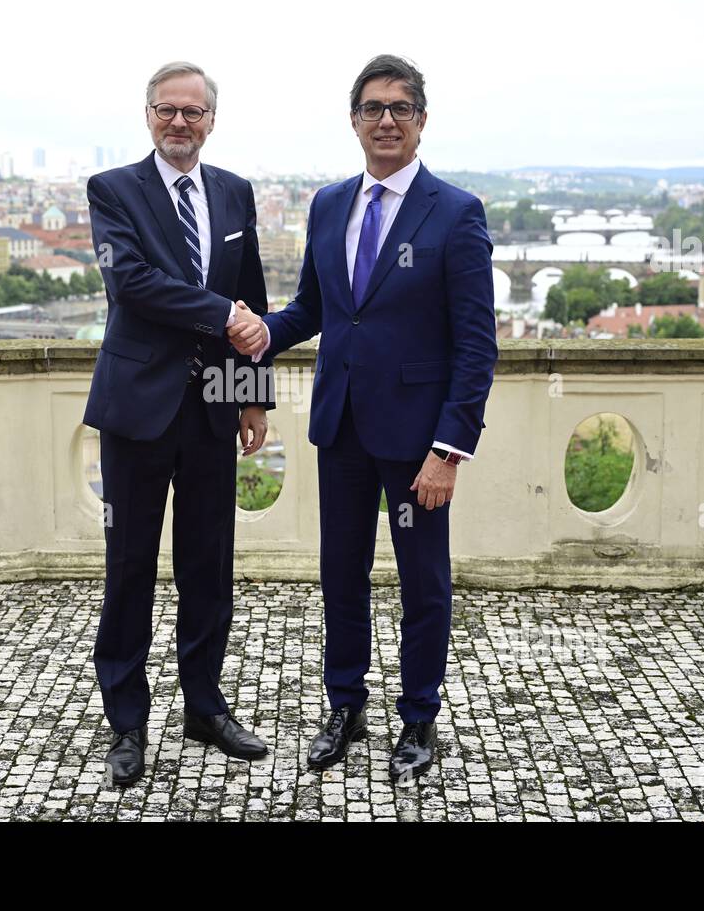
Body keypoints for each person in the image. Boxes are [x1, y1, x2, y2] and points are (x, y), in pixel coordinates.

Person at [229, 54, 498, 782]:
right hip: (341, 428)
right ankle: (344, 706)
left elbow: (477, 346)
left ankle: (418, 718)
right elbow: (317, 309)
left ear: (420, 122)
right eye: (373, 108)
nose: (386, 120)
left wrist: (449, 449)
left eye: (400, 108)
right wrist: (261, 333)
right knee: (340, 576)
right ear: (354, 120)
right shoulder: (328, 204)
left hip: (417, 443)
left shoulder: (456, 213)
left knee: (423, 584)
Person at [84, 61, 273, 786]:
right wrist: (220, 313)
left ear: (211, 120)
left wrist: (251, 394)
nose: (180, 123)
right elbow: (128, 283)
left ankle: (204, 706)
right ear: (148, 116)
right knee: (129, 569)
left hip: (210, 411)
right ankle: (127, 724)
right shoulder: (114, 191)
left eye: (193, 113)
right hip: (137, 408)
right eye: (168, 111)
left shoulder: (233, 192)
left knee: (208, 567)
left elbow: (250, 296)